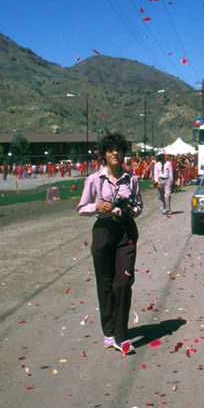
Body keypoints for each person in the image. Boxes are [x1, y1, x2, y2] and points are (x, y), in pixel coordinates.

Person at [77, 132, 144, 355]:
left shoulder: (132, 179)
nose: (114, 153)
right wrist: (97, 207)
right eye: (110, 150)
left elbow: (139, 206)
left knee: (123, 283)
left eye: (118, 149)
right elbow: (81, 208)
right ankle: (109, 331)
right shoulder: (94, 180)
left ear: (124, 153)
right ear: (104, 154)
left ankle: (121, 337)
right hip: (103, 232)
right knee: (105, 284)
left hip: (126, 233)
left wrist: (131, 211)